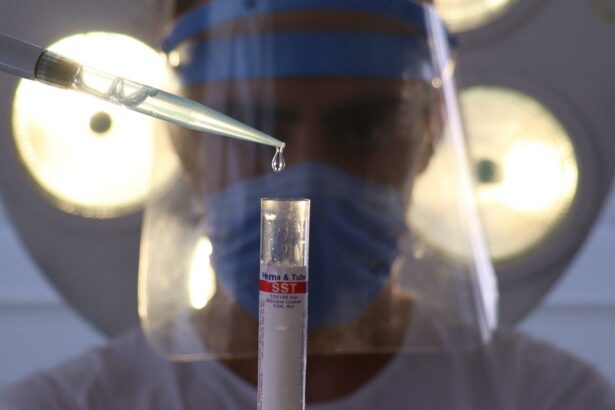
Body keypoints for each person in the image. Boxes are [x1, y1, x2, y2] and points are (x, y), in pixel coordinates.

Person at [1, 0, 615, 409]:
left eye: (364, 125)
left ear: (429, 132)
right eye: (255, 123)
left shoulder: (552, 399)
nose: (305, 176)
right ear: (183, 138)